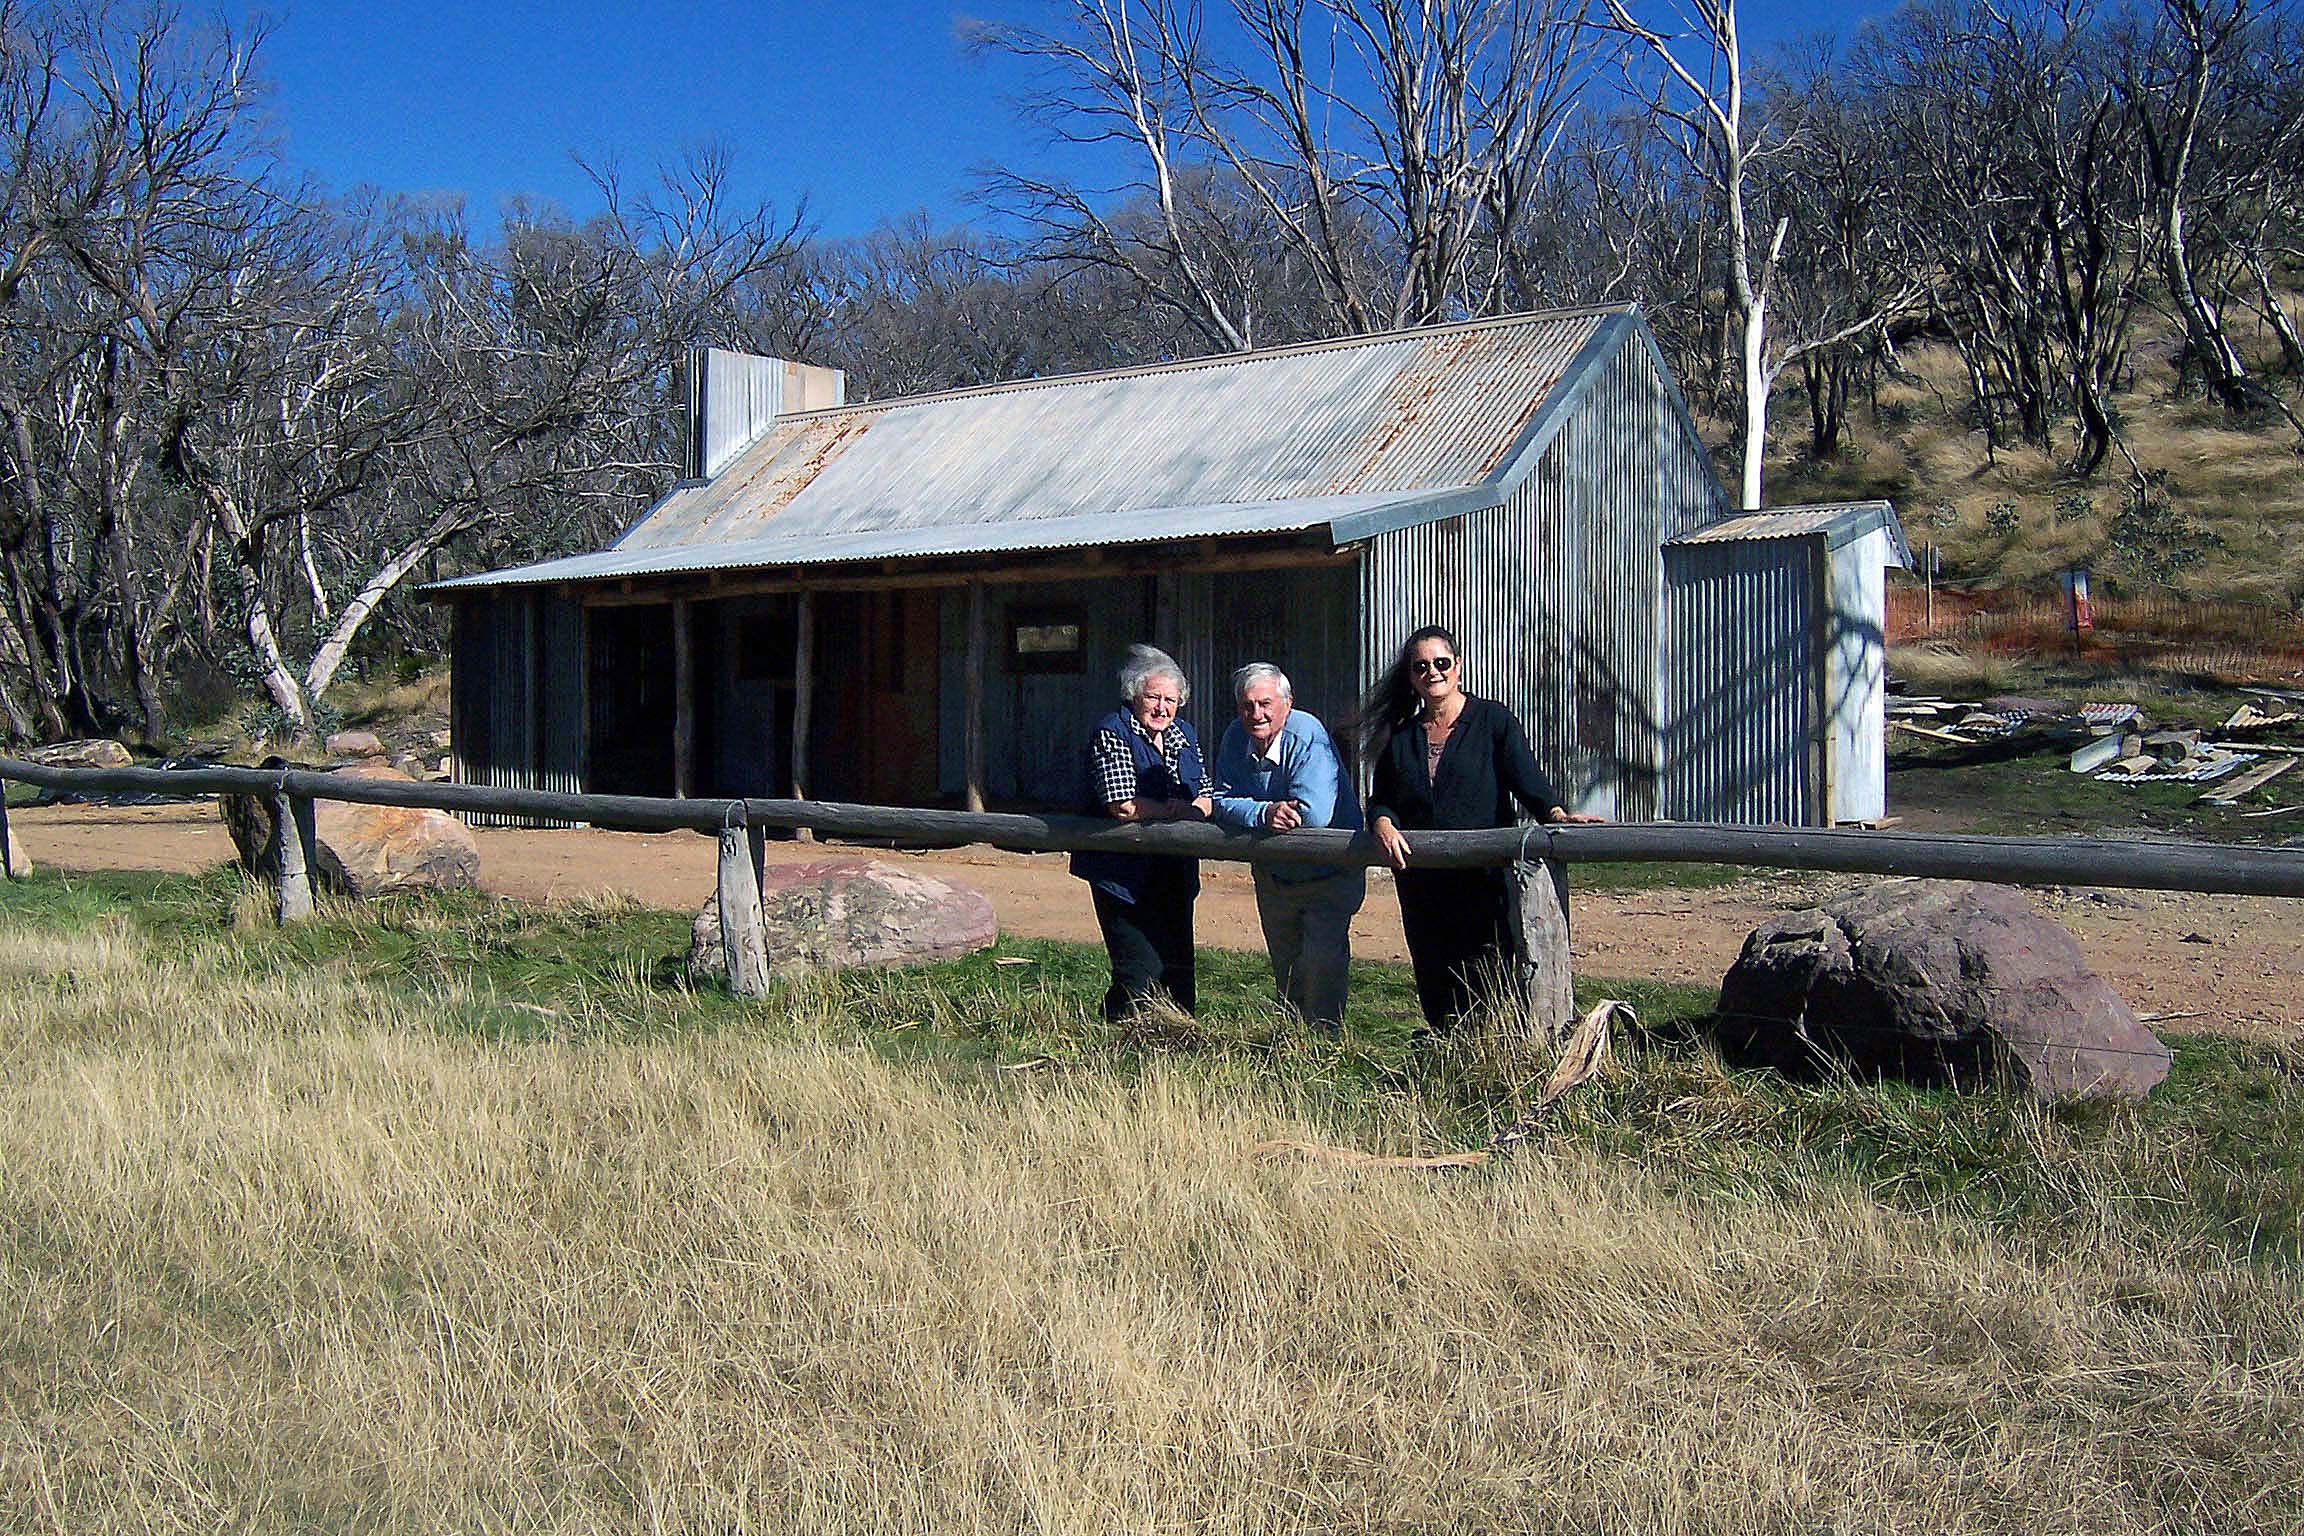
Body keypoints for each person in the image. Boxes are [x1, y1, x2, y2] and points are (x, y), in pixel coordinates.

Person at [1363, 625, 1604, 1035]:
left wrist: (1558, 814)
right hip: (1423, 886)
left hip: (1483, 882)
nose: (1432, 673)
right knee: (1436, 973)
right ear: (1411, 677)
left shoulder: (1492, 721)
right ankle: (1449, 1052)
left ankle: (1496, 1051)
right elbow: (1383, 797)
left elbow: (1526, 780)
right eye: (1421, 666)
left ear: (1458, 666)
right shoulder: (1401, 737)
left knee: (1491, 968)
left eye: (1441, 663)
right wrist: (1382, 822)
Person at [1208, 662, 1365, 1036]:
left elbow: (1313, 815)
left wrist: (1248, 811)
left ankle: (1325, 1049)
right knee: (1288, 968)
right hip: (1274, 875)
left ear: (1287, 704)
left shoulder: (1308, 735)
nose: (1256, 714)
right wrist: (1263, 812)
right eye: (1247, 706)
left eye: (1265, 704)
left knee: (1322, 965)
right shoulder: (1235, 736)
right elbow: (1219, 799)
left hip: (1330, 871)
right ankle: (1293, 1048)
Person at [1070, 644, 1213, 1022]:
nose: (1163, 707)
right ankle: (1118, 1040)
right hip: (1121, 876)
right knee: (1138, 971)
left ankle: (1180, 1042)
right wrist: (1180, 809)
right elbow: (1122, 806)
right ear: (1134, 695)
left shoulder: (1184, 733)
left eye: (1171, 699)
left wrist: (1179, 808)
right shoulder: (1111, 732)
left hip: (1175, 870)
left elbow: (1208, 795)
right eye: (1153, 697)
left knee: (1178, 969)